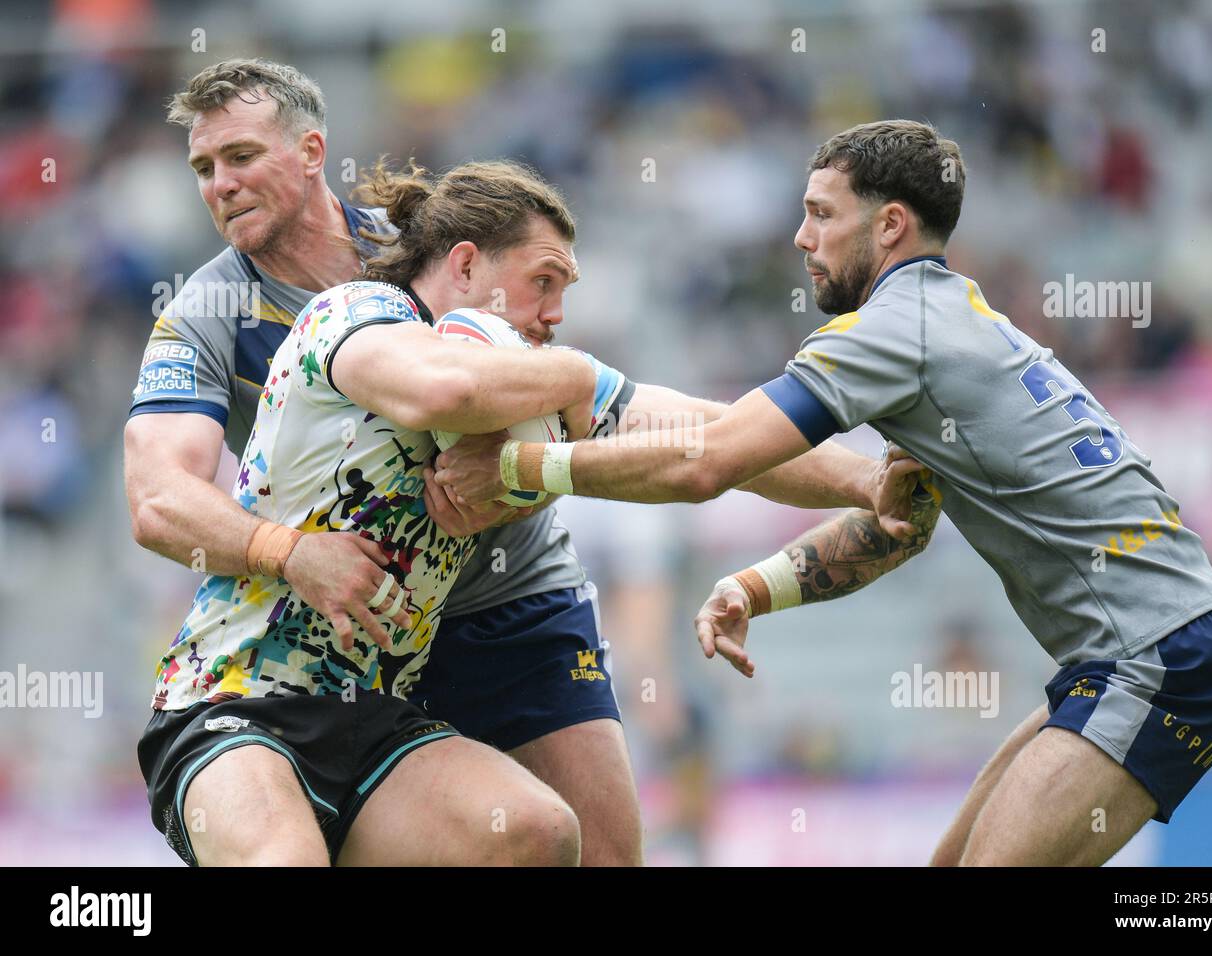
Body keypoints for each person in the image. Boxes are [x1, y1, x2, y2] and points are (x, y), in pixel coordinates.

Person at [126, 59, 922, 864]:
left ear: (310, 151)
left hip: (505, 600)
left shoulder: (431, 249)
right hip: (330, 630)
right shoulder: (225, 315)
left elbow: (700, 438)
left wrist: (863, 479)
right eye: (204, 167)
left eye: (240, 157)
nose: (219, 184)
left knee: (582, 849)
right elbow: (159, 499)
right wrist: (288, 551)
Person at [433, 119, 1212, 866]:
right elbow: (900, 522)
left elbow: (705, 461)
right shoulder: (957, 323)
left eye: (822, 213)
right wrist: (754, 588)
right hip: (1144, 654)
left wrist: (518, 468)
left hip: (1157, 658)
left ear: (889, 224)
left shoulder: (892, 333)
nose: (801, 237)